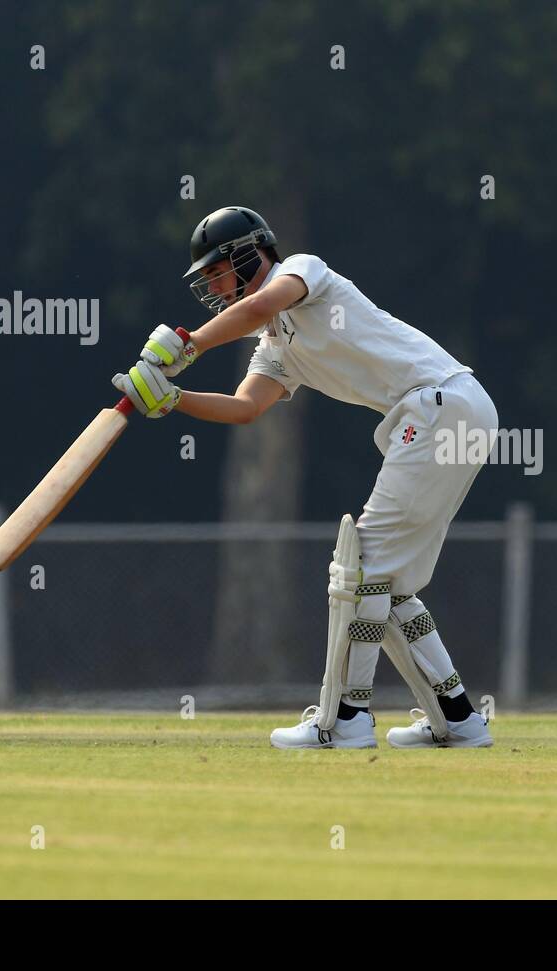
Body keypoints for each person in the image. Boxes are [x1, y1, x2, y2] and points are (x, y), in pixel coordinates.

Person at [112, 206, 496, 749]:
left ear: (248, 255)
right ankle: (457, 718)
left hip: (440, 405)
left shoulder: (302, 271)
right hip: (456, 412)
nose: (214, 288)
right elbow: (245, 407)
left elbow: (262, 303)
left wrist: (190, 345)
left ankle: (345, 720)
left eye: (217, 273)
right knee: (388, 582)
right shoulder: (273, 346)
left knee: (360, 569)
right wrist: (172, 399)